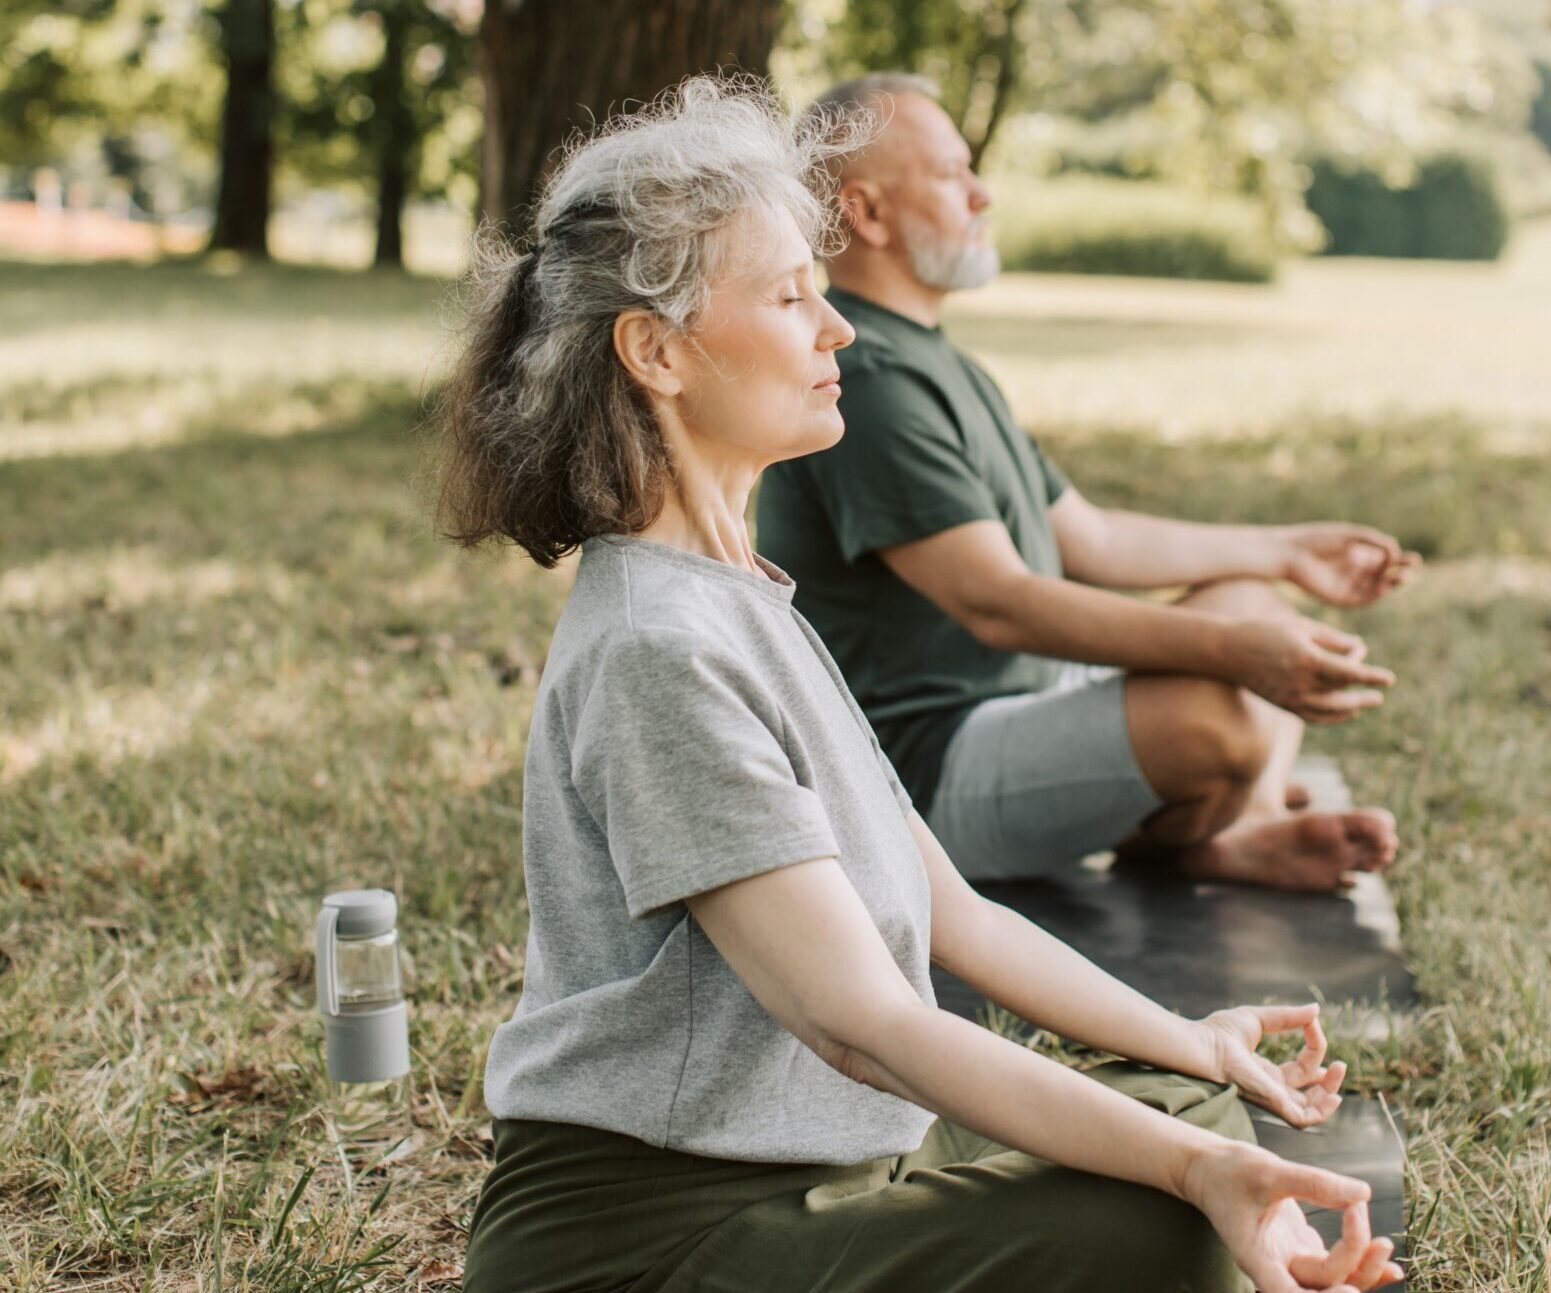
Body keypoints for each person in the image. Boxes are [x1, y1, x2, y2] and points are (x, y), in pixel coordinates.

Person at [437, 76, 1402, 1293]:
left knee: (1190, 1102)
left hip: (827, 1161)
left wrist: (1191, 1037)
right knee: (1178, 1220)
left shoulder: (745, 599)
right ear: (657, 351)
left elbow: (959, 917)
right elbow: (868, 1025)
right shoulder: (658, 651)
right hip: (656, 1233)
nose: (838, 329)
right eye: (791, 299)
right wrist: (1190, 1176)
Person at [756, 74, 1421, 893]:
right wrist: (1231, 652)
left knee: (1253, 601)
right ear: (868, 214)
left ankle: (1228, 832)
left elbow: (1092, 539)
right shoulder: (870, 379)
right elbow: (997, 603)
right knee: (1221, 714)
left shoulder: (936, 360)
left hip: (1023, 702)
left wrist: (1286, 551)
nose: (981, 193)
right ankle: (1217, 821)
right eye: (950, 174)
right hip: (920, 774)